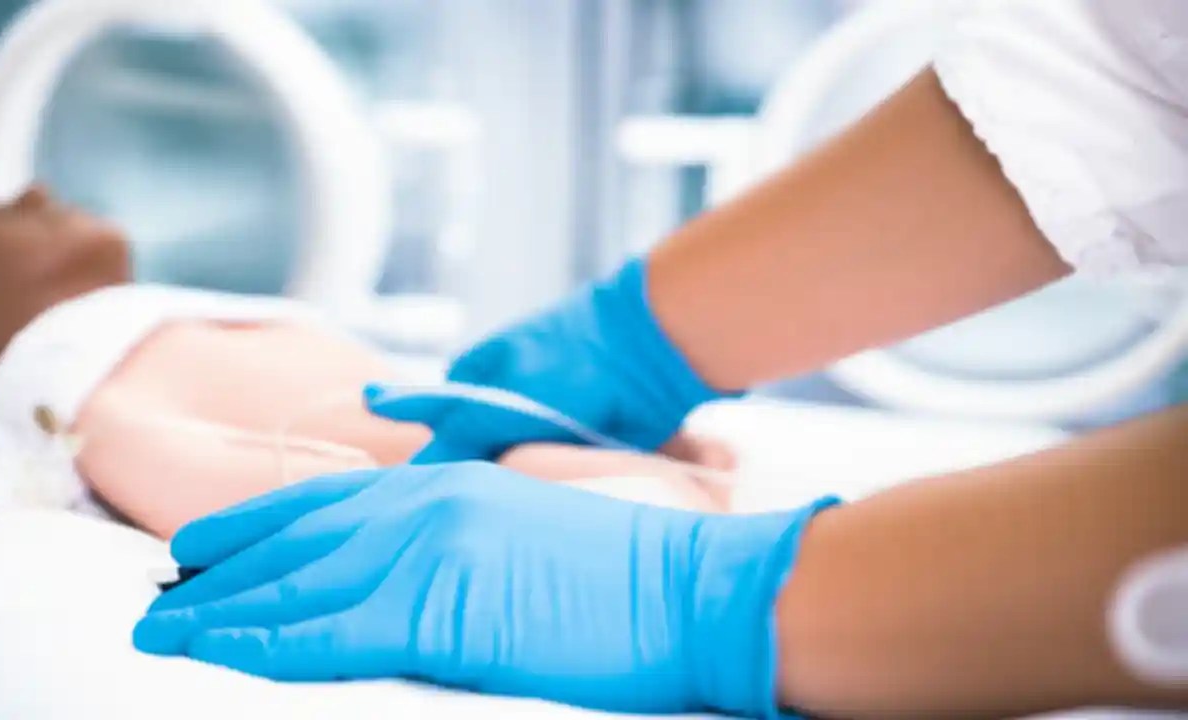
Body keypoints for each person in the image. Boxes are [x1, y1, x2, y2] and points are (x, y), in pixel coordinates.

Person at [134, 2, 1188, 718]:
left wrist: (701, 595)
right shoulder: (94, 361)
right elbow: (1121, 71)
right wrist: (627, 344)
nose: (23, 201)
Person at [0, 187, 737, 538]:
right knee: (621, 504)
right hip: (420, 475)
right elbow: (129, 447)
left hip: (456, 435)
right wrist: (317, 497)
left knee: (642, 480)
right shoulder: (45, 361)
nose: (36, 190)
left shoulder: (156, 307)